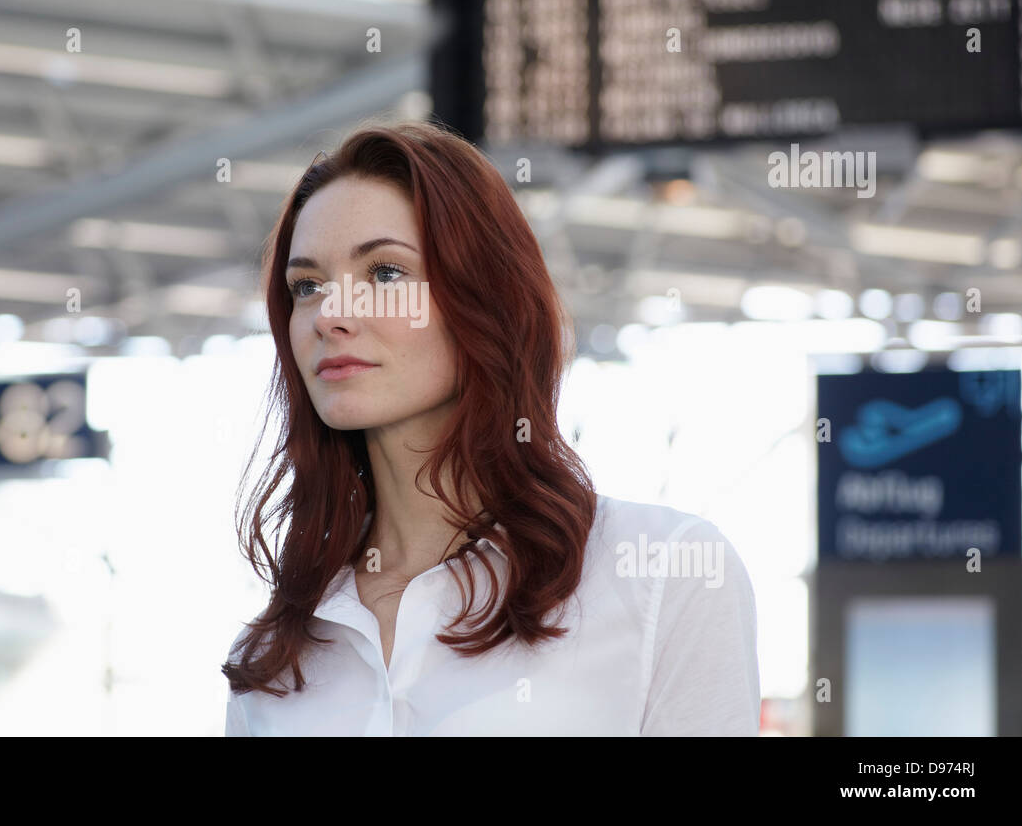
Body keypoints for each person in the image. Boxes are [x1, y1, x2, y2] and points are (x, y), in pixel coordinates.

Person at [221, 119, 759, 735]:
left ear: (484, 296)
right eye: (307, 286)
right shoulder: (270, 661)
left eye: (386, 274)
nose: (332, 316)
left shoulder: (665, 573)